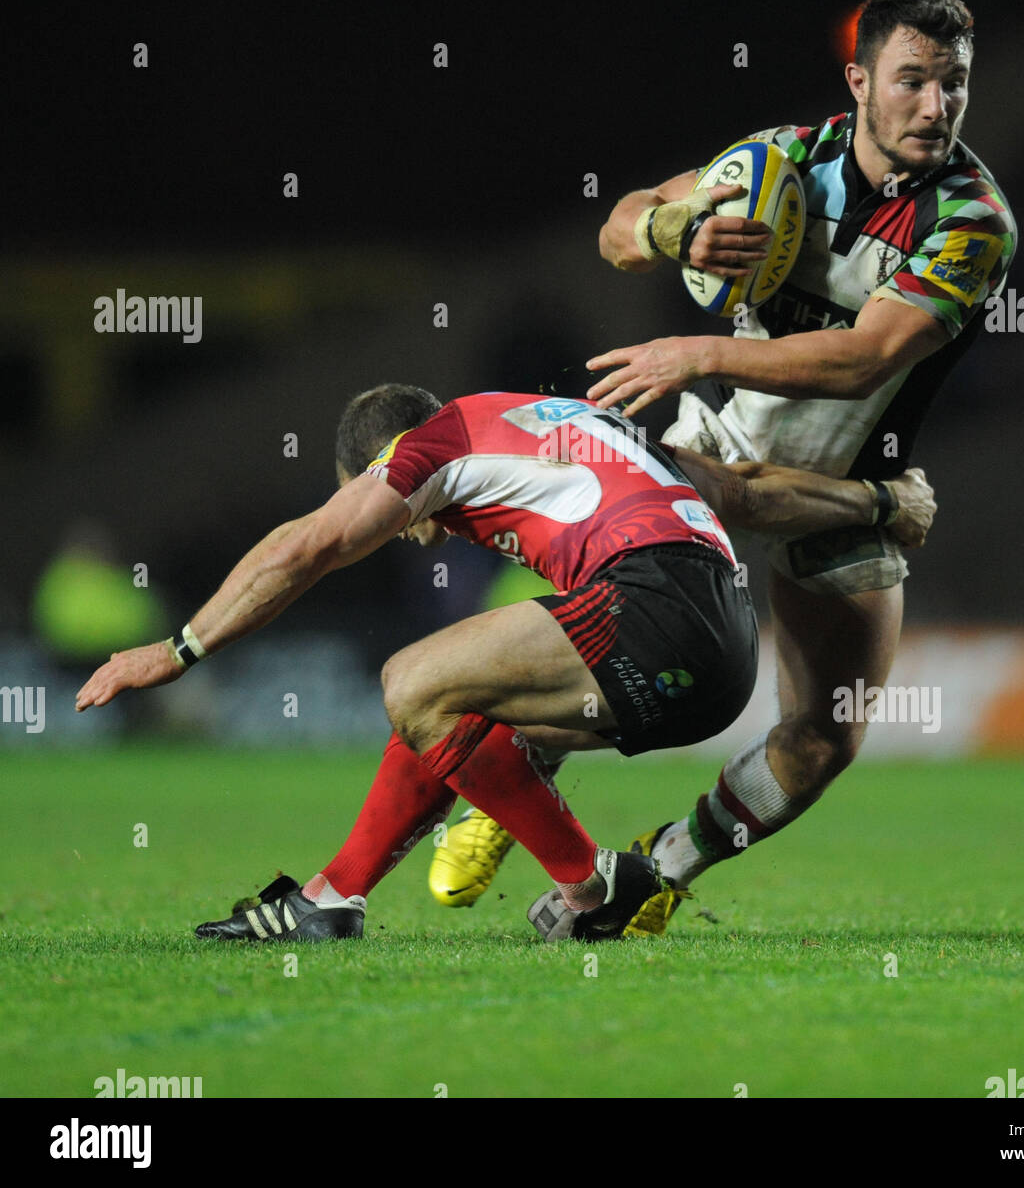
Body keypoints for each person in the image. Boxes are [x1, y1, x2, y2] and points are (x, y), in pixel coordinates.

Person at [438, 0, 1016, 934]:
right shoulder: (784, 159)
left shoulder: (972, 219)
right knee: (652, 672)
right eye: (911, 79)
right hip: (710, 450)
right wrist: (680, 229)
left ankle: (658, 871)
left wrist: (698, 348)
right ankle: (516, 769)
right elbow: (619, 225)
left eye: (953, 83)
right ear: (859, 83)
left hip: (838, 485)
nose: (935, 104)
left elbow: (864, 357)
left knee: (824, 738)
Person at [74, 384, 935, 943]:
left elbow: (309, 545)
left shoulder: (434, 443)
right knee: (451, 709)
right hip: (721, 649)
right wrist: (880, 499)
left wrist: (179, 647)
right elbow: (745, 492)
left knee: (407, 682)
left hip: (653, 600)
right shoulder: (576, 424)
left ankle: (595, 885)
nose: (408, 530)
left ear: (375, 463)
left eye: (368, 491)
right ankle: (333, 899)